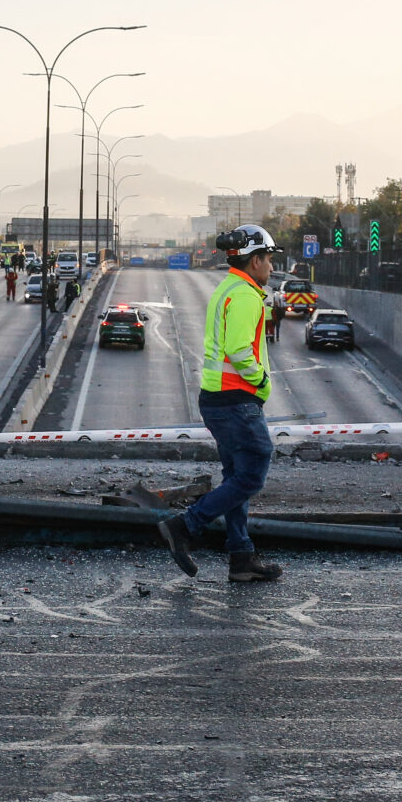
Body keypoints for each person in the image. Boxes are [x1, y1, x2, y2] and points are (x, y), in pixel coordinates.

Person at [157, 225, 284, 583]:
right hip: (236, 399)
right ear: (255, 260)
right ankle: (185, 525)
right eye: (269, 259)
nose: (272, 267)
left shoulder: (227, 287)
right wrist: (259, 380)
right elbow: (240, 350)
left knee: (236, 476)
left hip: (218, 399)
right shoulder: (244, 295)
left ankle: (241, 558)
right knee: (253, 470)